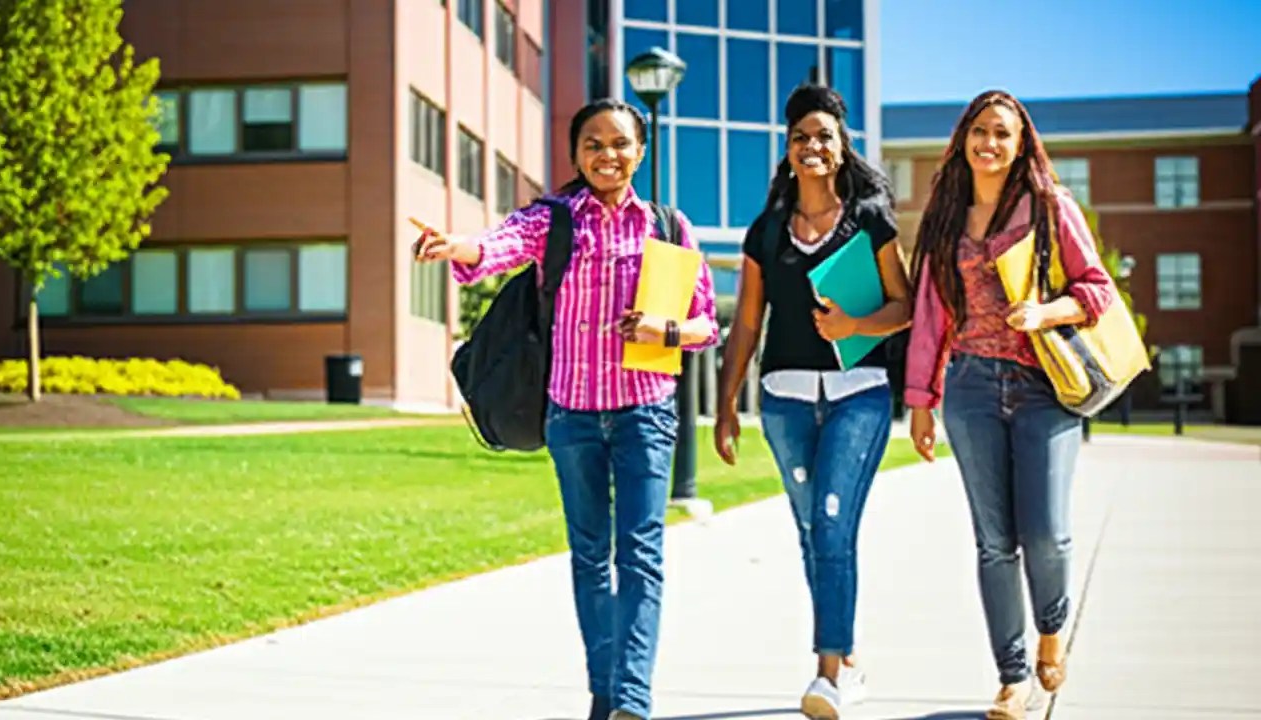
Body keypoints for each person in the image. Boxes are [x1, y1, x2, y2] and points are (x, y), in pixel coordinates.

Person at [412, 99, 719, 720]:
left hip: (645, 413)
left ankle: (631, 698)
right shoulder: (554, 220)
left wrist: (662, 330)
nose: (607, 155)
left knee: (641, 553)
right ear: (577, 155)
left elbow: (704, 324)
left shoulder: (667, 226)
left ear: (641, 151)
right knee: (589, 556)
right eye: (593, 145)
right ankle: (604, 695)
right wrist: (461, 246)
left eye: (620, 144)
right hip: (573, 414)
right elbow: (499, 245)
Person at [904, 90, 1117, 720]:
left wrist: (1045, 311)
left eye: (1002, 132)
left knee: (1045, 531)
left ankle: (1053, 629)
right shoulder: (948, 216)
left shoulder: (1048, 205)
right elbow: (929, 316)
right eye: (979, 131)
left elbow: (1097, 287)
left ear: (1021, 143)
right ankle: (1011, 676)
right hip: (969, 387)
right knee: (994, 541)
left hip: (1044, 387)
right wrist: (921, 400)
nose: (989, 143)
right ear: (963, 139)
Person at [713, 84, 912, 720]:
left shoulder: (871, 218)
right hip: (784, 401)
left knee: (829, 520)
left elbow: (903, 306)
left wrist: (855, 327)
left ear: (841, 145)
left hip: (859, 395)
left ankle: (830, 673)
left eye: (824, 135)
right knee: (812, 530)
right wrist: (725, 406)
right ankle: (846, 658)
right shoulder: (767, 231)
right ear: (788, 149)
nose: (813, 146)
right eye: (801, 137)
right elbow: (745, 324)